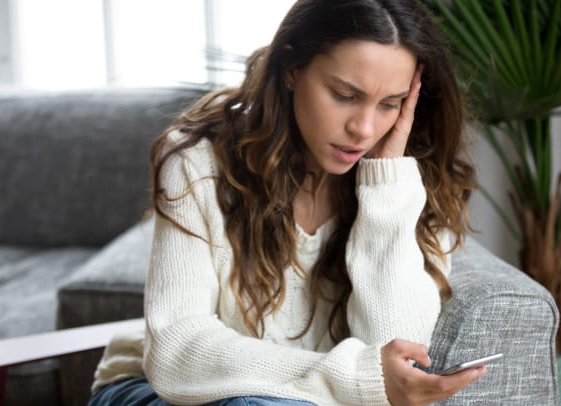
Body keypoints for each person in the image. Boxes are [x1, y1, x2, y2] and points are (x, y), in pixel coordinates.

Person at [88, 0, 480, 404]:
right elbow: (177, 353)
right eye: (345, 94)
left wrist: (385, 186)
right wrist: (353, 377)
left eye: (389, 104)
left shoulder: (407, 185)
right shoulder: (199, 161)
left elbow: (396, 361)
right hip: (156, 390)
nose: (363, 129)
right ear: (292, 68)